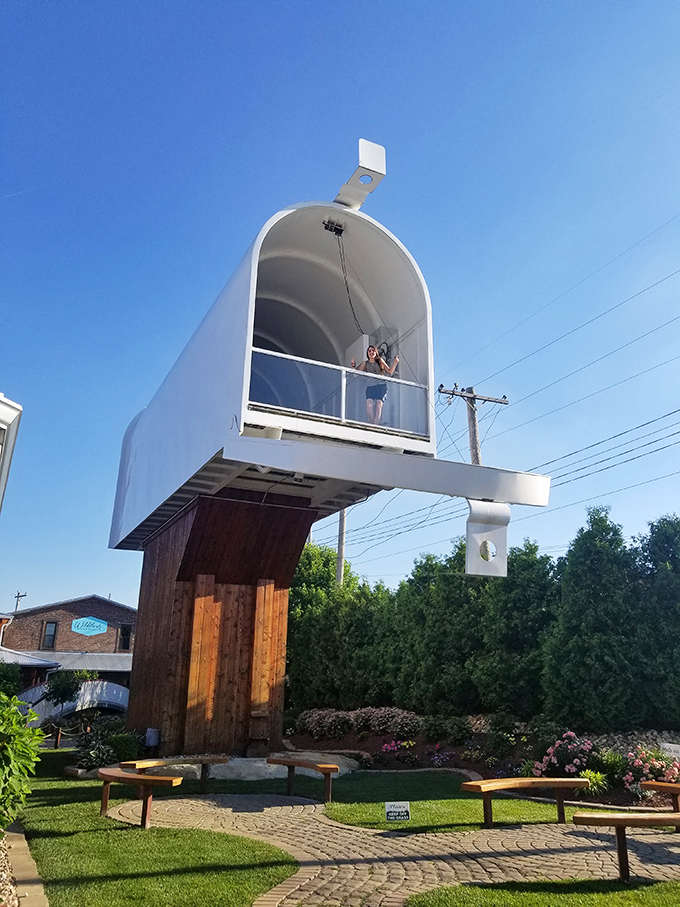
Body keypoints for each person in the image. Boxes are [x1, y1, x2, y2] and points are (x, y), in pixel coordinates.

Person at [351, 345, 399, 424]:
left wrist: (395, 363)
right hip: (370, 386)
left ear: (376, 352)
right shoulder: (365, 363)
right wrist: (353, 366)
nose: (371, 352)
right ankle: (373, 424)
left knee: (378, 405)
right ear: (367, 353)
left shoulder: (380, 361)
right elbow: (356, 375)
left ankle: (375, 426)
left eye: (373, 350)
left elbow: (390, 372)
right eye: (369, 351)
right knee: (369, 406)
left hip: (381, 385)